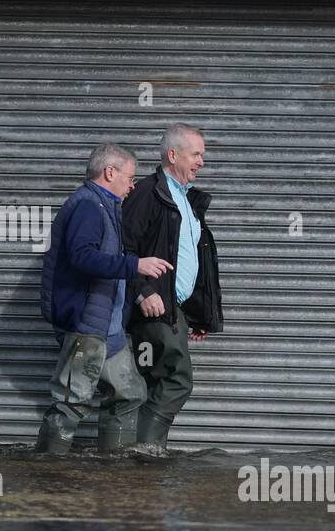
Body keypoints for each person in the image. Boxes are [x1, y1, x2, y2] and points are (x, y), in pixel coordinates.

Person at [36, 142, 174, 454]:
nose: (133, 185)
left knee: (130, 393)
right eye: (129, 177)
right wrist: (135, 265)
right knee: (73, 401)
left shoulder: (106, 207)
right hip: (87, 326)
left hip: (108, 328)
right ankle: (45, 474)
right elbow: (82, 256)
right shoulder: (87, 206)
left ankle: (114, 468)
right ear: (109, 172)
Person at [122, 123, 225, 450]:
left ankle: (139, 452)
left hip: (172, 307)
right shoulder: (148, 194)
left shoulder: (186, 200)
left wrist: (196, 314)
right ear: (172, 154)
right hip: (153, 307)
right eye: (196, 154)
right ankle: (145, 450)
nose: (201, 162)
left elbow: (190, 262)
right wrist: (142, 290)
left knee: (155, 382)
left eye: (202, 155)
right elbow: (123, 247)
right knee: (177, 380)